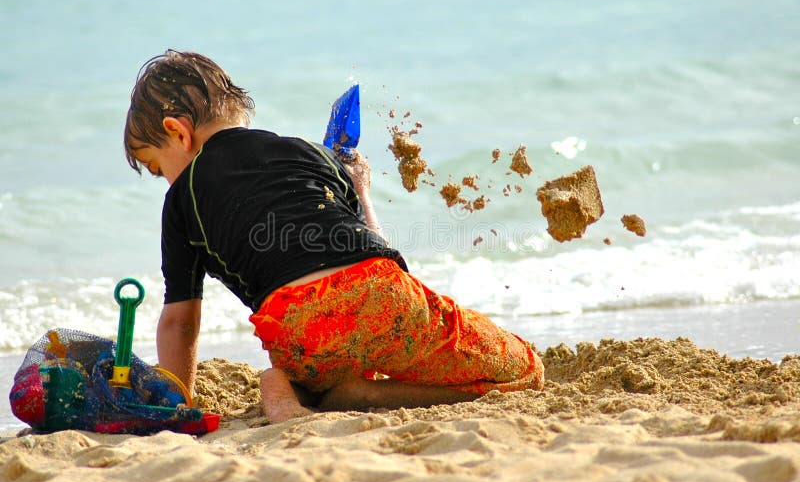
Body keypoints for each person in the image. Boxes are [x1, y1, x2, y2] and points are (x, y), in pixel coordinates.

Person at [124, 50, 544, 422]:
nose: (166, 181)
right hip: (380, 295)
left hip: (299, 329)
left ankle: (302, 389)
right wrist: (360, 186)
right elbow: (375, 245)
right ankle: (369, 394)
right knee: (526, 370)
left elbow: (180, 322)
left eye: (159, 168)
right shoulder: (311, 153)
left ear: (178, 132)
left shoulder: (182, 200)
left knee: (311, 359)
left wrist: (178, 407)